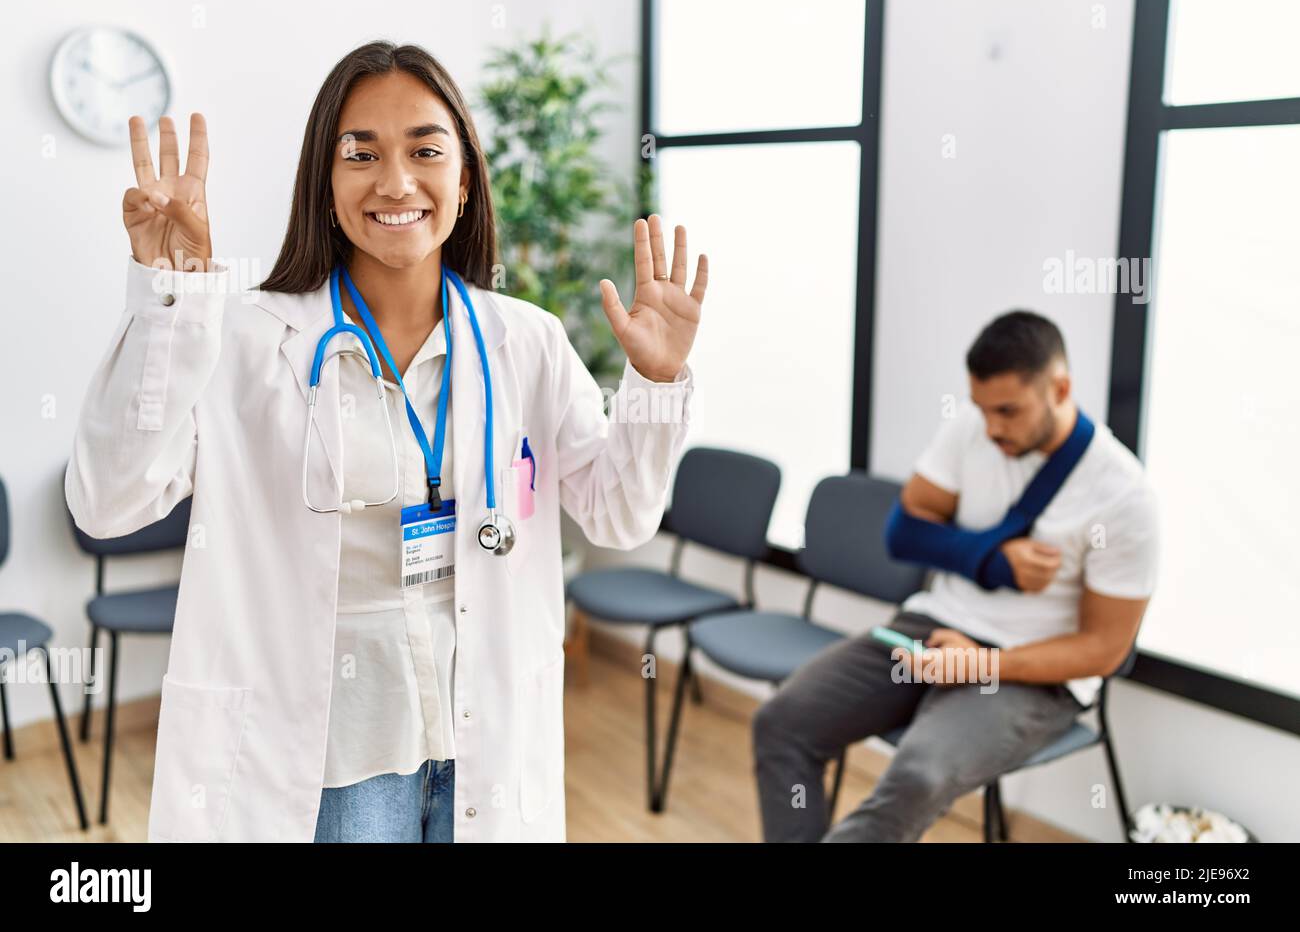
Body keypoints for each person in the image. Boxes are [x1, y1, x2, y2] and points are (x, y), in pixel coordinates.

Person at [65, 41, 709, 843]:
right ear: (325, 185)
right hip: (331, 755)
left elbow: (619, 516)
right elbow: (107, 501)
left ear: (466, 179)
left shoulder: (525, 341)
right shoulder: (247, 341)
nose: (396, 182)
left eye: (426, 151)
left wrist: (653, 385)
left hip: (485, 742)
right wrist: (170, 302)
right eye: (360, 153)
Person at [752, 310, 1157, 842]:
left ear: (1060, 389)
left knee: (917, 776)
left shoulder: (1124, 496)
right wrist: (990, 560)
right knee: (782, 723)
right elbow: (904, 532)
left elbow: (1103, 649)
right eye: (982, 409)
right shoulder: (973, 428)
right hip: (933, 627)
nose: (992, 428)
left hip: (1031, 670)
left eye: (1008, 411)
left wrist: (983, 662)